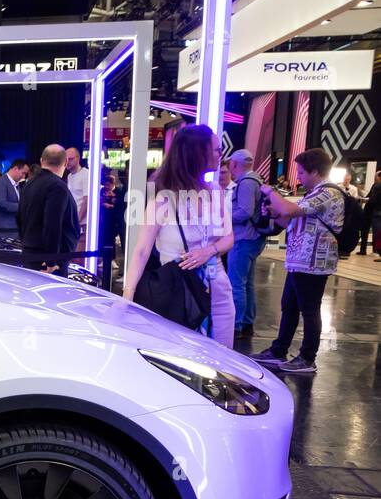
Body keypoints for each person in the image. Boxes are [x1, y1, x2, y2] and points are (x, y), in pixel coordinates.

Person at [122, 124, 235, 348]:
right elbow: (142, 250)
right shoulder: (164, 199)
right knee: (185, 361)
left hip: (219, 289)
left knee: (223, 361)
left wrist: (208, 251)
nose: (219, 154)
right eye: (215, 149)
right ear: (197, 153)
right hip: (179, 292)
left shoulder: (216, 192)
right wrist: (127, 296)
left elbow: (229, 237)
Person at [250, 148, 344, 374]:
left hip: (313, 263)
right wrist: (274, 213)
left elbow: (288, 208)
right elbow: (288, 220)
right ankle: (279, 350)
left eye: (302, 172)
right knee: (289, 306)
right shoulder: (314, 193)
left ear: (315, 171)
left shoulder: (329, 194)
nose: (299, 177)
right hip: (299, 261)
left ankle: (307, 357)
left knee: (309, 310)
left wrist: (270, 191)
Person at [19, 144, 79, 276]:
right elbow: (52, 224)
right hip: (49, 262)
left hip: (31, 254)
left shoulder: (28, 185)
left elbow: (20, 220)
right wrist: (51, 261)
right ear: (66, 162)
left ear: (42, 160)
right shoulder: (58, 187)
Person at [226, 149, 265, 339]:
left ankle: (237, 325)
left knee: (237, 283)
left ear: (234, 164)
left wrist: (224, 218)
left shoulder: (246, 183)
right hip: (252, 238)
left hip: (243, 238)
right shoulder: (256, 180)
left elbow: (245, 211)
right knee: (246, 283)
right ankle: (246, 321)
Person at [0, 159, 27, 236]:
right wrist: (23, 206)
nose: (24, 176)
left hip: (14, 231)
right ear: (15, 169)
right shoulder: (1, 182)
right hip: (4, 231)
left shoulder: (17, 185)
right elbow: (1, 203)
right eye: (23, 173)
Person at [64, 146, 91, 255]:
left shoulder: (85, 174)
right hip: (73, 223)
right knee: (72, 257)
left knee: (79, 257)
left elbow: (87, 200)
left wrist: (77, 221)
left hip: (82, 224)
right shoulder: (70, 176)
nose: (67, 162)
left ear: (78, 158)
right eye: (66, 159)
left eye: (71, 159)